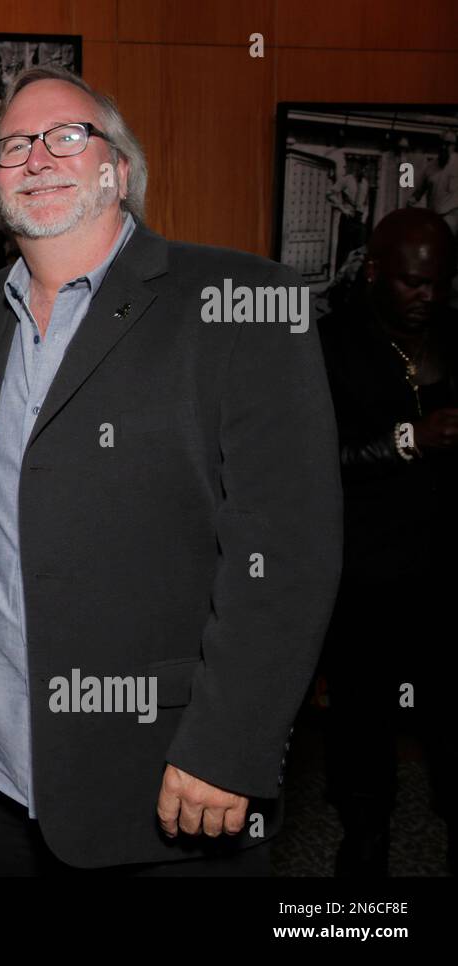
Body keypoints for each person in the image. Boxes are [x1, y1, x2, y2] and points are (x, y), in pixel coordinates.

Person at [0, 66, 343, 874]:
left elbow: (289, 552)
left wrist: (231, 744)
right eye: (12, 146)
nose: (38, 157)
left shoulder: (244, 302)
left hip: (162, 769)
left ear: (117, 168)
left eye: (67, 136)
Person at [318, 207, 458, 876]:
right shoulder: (330, 344)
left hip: (445, 573)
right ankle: (364, 841)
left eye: (439, 283)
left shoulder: (453, 336)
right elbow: (310, 462)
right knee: (364, 721)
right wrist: (409, 441)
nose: (428, 297)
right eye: (412, 283)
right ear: (374, 272)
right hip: (366, 574)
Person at [409, 130, 458, 236]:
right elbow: (418, 193)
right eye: (442, 143)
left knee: (448, 242)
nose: (444, 147)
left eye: (448, 144)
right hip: (433, 217)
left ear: (454, 146)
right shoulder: (430, 167)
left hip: (452, 215)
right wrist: (411, 201)